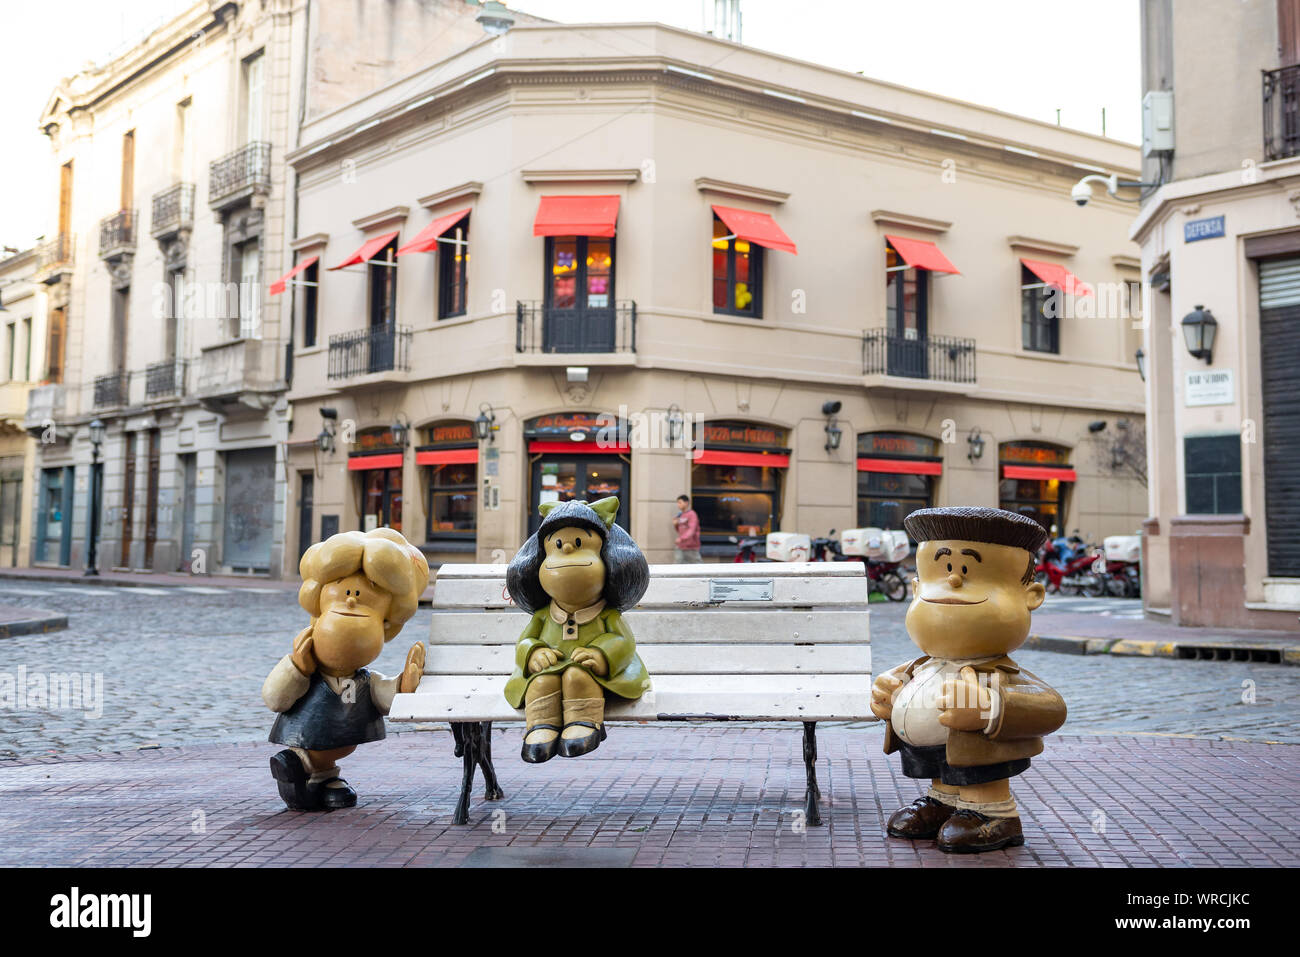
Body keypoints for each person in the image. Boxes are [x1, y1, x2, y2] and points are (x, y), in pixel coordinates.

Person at [870, 506, 1066, 853]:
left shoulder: (1000, 674)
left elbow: (1051, 709)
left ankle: (992, 813)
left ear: (1030, 596)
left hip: (983, 752)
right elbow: (900, 684)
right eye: (941, 570)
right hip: (931, 750)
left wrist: (990, 709)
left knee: (978, 767)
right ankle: (943, 800)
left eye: (967, 571)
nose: (954, 581)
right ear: (916, 588)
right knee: (940, 765)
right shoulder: (923, 664)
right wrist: (891, 695)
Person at [262, 527, 430, 811]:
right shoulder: (306, 663)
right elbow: (274, 697)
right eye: (340, 584)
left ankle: (321, 776)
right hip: (302, 735)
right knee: (309, 761)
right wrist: (296, 668)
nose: (351, 596)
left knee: (327, 781)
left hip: (340, 739)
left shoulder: (363, 680)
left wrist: (403, 685)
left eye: (370, 591)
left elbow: (382, 697)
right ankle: (301, 766)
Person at [504, 496, 651, 762]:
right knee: (541, 682)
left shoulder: (606, 614)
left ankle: (583, 722)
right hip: (547, 669)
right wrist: (533, 652)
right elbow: (525, 641)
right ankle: (541, 725)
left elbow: (623, 641)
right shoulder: (543, 615)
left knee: (577, 676)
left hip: (593, 674)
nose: (568, 550)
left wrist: (602, 654)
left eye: (580, 543)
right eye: (558, 545)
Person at [672, 493, 702, 563]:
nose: (678, 505)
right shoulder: (680, 515)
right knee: (677, 565)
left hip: (691, 547)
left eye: (680, 502)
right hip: (681, 546)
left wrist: (681, 538)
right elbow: (679, 530)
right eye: (677, 503)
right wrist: (675, 524)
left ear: (686, 503)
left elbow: (692, 530)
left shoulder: (692, 514)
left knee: (697, 566)